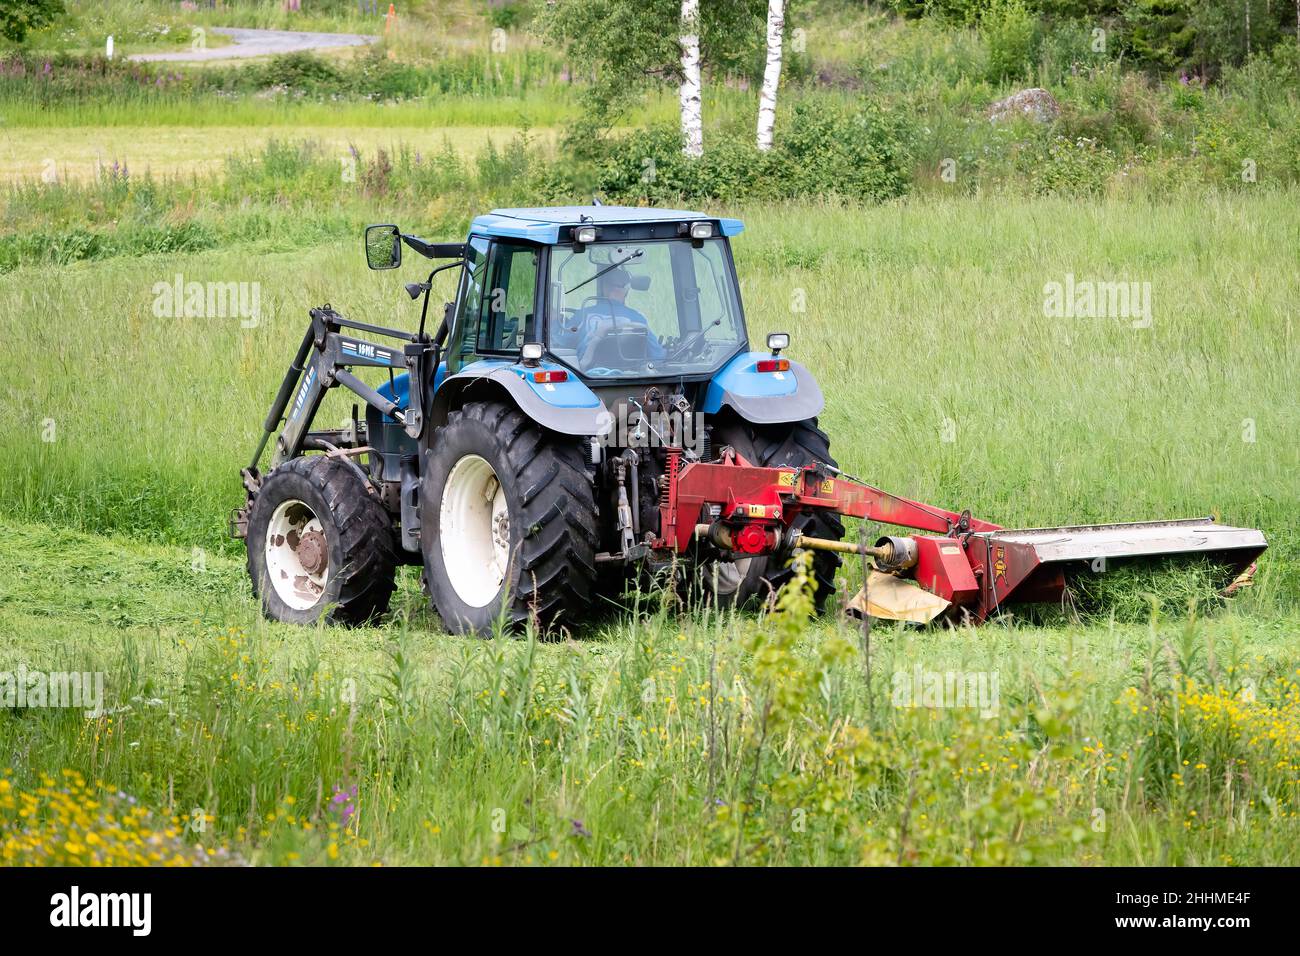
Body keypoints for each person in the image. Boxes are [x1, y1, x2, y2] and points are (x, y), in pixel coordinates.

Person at [568, 266, 666, 361]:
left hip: (586, 373)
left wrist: (555, 320)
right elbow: (657, 356)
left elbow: (562, 340)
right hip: (633, 374)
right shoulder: (638, 319)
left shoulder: (582, 314)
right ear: (626, 289)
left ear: (604, 287)